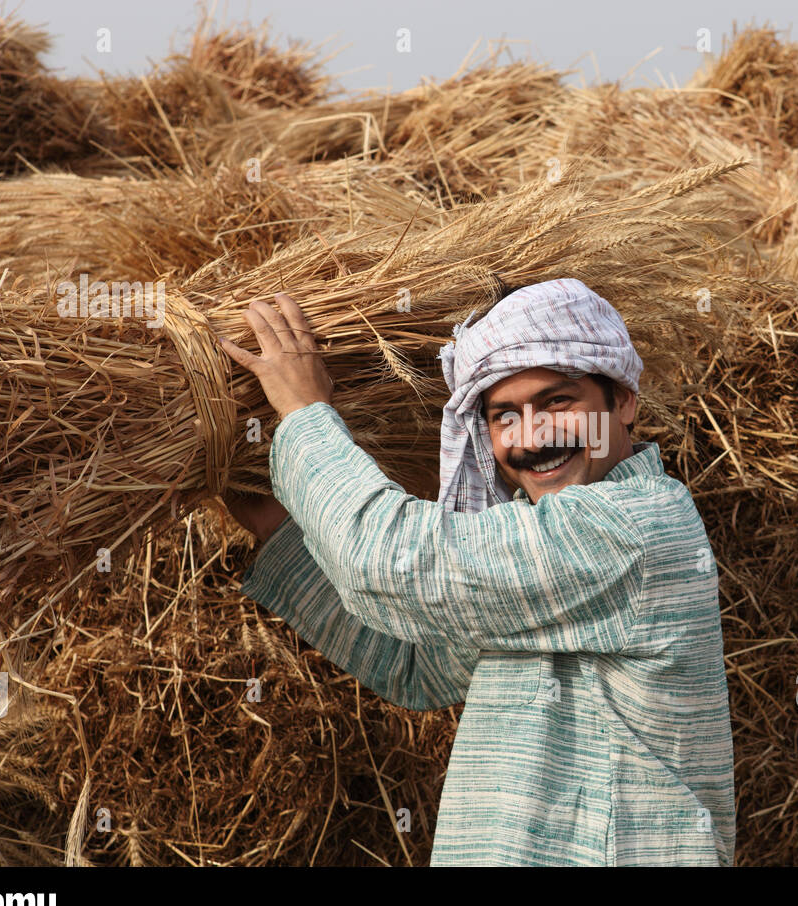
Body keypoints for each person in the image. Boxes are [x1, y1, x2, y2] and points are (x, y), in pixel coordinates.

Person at [218, 278, 735, 865]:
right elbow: (416, 664)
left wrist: (305, 412)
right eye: (503, 416)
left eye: (558, 402)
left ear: (623, 400)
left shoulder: (631, 527)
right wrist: (278, 532)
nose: (530, 438)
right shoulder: (540, 535)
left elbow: (383, 561)